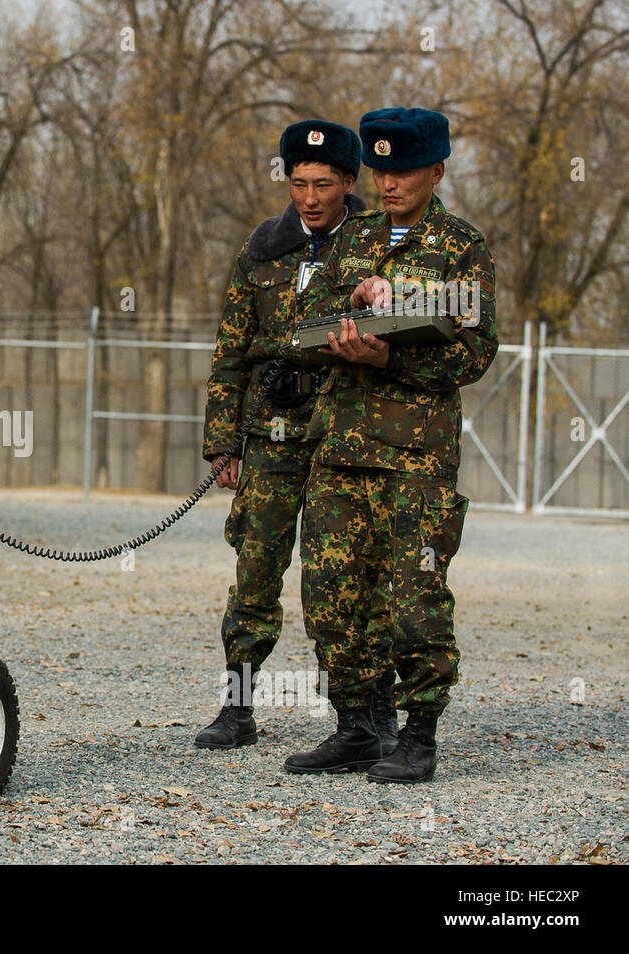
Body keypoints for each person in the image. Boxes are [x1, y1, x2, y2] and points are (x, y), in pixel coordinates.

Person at [286, 107, 497, 782]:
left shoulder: (460, 248)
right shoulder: (353, 240)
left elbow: (474, 355)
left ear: (436, 169)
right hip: (341, 452)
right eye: (379, 170)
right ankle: (357, 727)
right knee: (329, 596)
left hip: (416, 461)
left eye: (403, 169)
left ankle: (420, 734)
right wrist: (344, 310)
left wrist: (392, 361)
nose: (389, 182)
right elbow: (298, 329)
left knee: (413, 601)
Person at [198, 120, 397, 752]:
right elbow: (230, 352)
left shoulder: (376, 248)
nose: (309, 198)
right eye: (297, 183)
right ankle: (237, 707)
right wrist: (223, 442)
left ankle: (364, 715)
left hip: (346, 432)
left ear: (348, 181)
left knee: (346, 574)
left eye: (322, 185)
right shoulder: (263, 248)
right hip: (272, 431)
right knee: (254, 569)